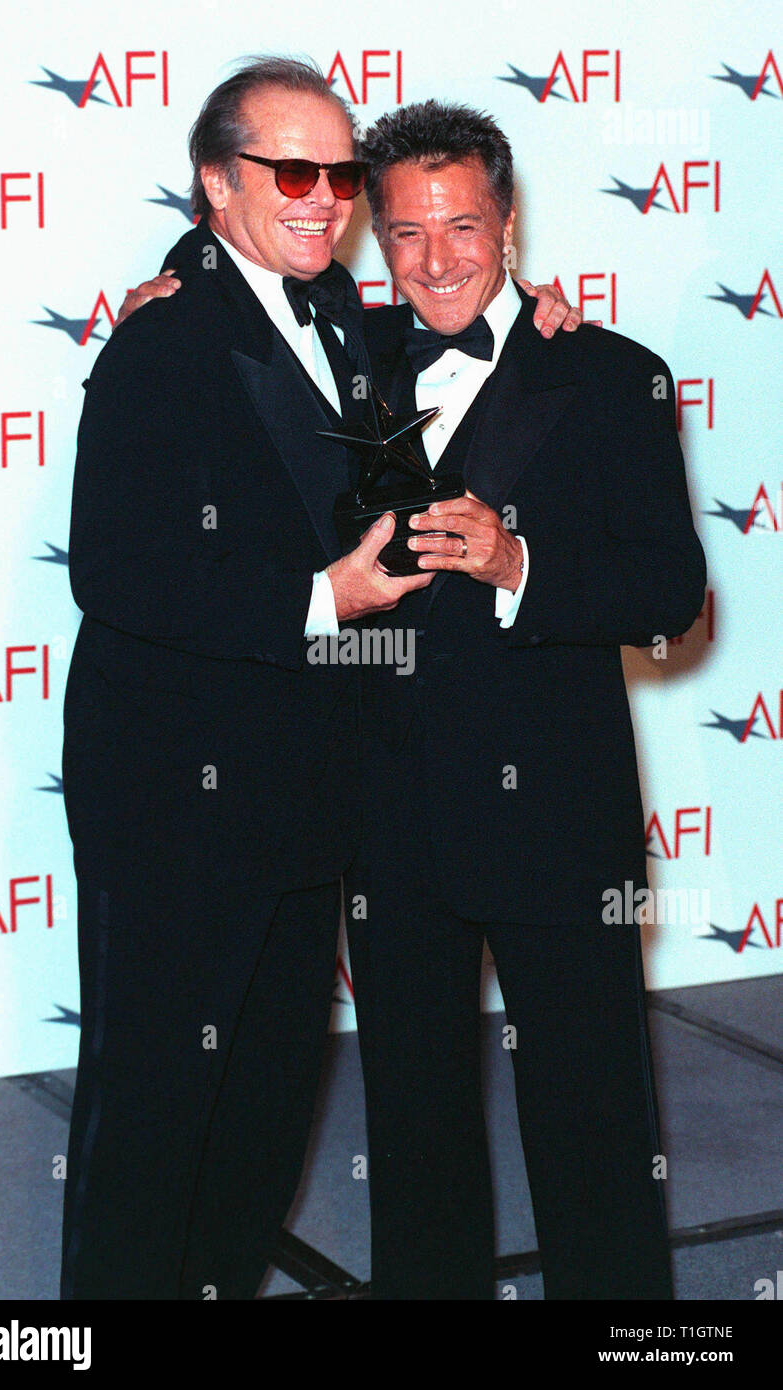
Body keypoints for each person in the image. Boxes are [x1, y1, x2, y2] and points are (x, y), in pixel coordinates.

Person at [61, 57, 574, 1300]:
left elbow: (437, 316)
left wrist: (531, 312)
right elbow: (114, 573)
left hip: (307, 796)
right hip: (176, 800)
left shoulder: (341, 311)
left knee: (266, 1105)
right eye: (292, 171)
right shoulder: (158, 343)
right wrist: (317, 600)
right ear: (215, 184)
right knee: (152, 1112)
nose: (324, 197)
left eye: (341, 174)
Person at [341, 100, 707, 1299]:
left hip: (558, 821)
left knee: (595, 1134)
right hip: (391, 830)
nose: (437, 257)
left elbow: (670, 590)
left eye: (462, 224)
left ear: (509, 222)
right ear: (374, 241)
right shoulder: (343, 373)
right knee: (412, 1140)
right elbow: (222, 261)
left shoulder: (611, 376)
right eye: (407, 232)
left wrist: (519, 566)